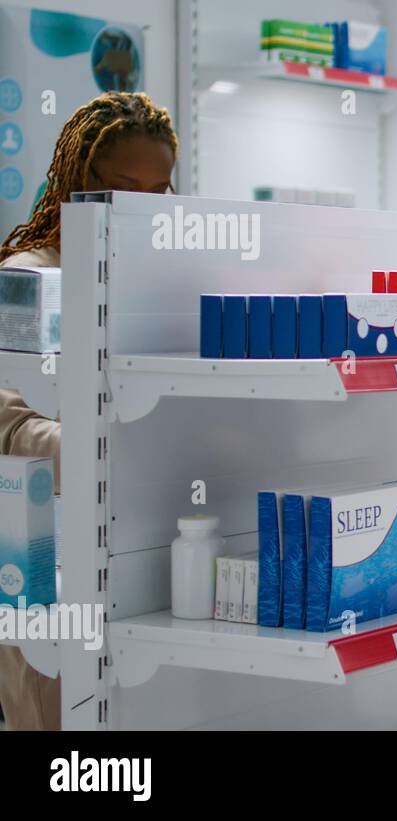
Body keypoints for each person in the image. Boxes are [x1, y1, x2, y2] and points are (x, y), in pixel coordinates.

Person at [0, 91, 177, 731]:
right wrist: (114, 450)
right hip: (52, 570)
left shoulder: (157, 281)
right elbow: (10, 431)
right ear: (77, 184)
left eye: (158, 194)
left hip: (139, 560)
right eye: (123, 189)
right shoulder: (29, 278)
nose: (141, 211)